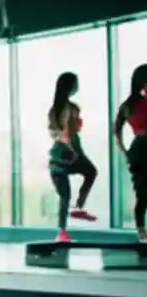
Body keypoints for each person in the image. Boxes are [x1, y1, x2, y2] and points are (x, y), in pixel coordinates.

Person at [47, 71, 98, 241]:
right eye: (76, 84)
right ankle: (75, 211)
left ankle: (64, 227)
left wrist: (68, 143)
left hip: (59, 156)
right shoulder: (70, 108)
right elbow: (68, 133)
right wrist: (74, 150)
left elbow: (55, 132)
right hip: (66, 154)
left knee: (66, 195)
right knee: (89, 173)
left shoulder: (55, 110)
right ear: (70, 87)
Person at [113, 64, 147, 242]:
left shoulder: (129, 105)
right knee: (142, 193)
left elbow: (116, 130)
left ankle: (142, 232)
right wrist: (124, 151)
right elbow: (116, 130)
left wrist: (125, 151)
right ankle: (142, 232)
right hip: (141, 150)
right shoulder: (131, 105)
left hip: (138, 149)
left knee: (142, 193)